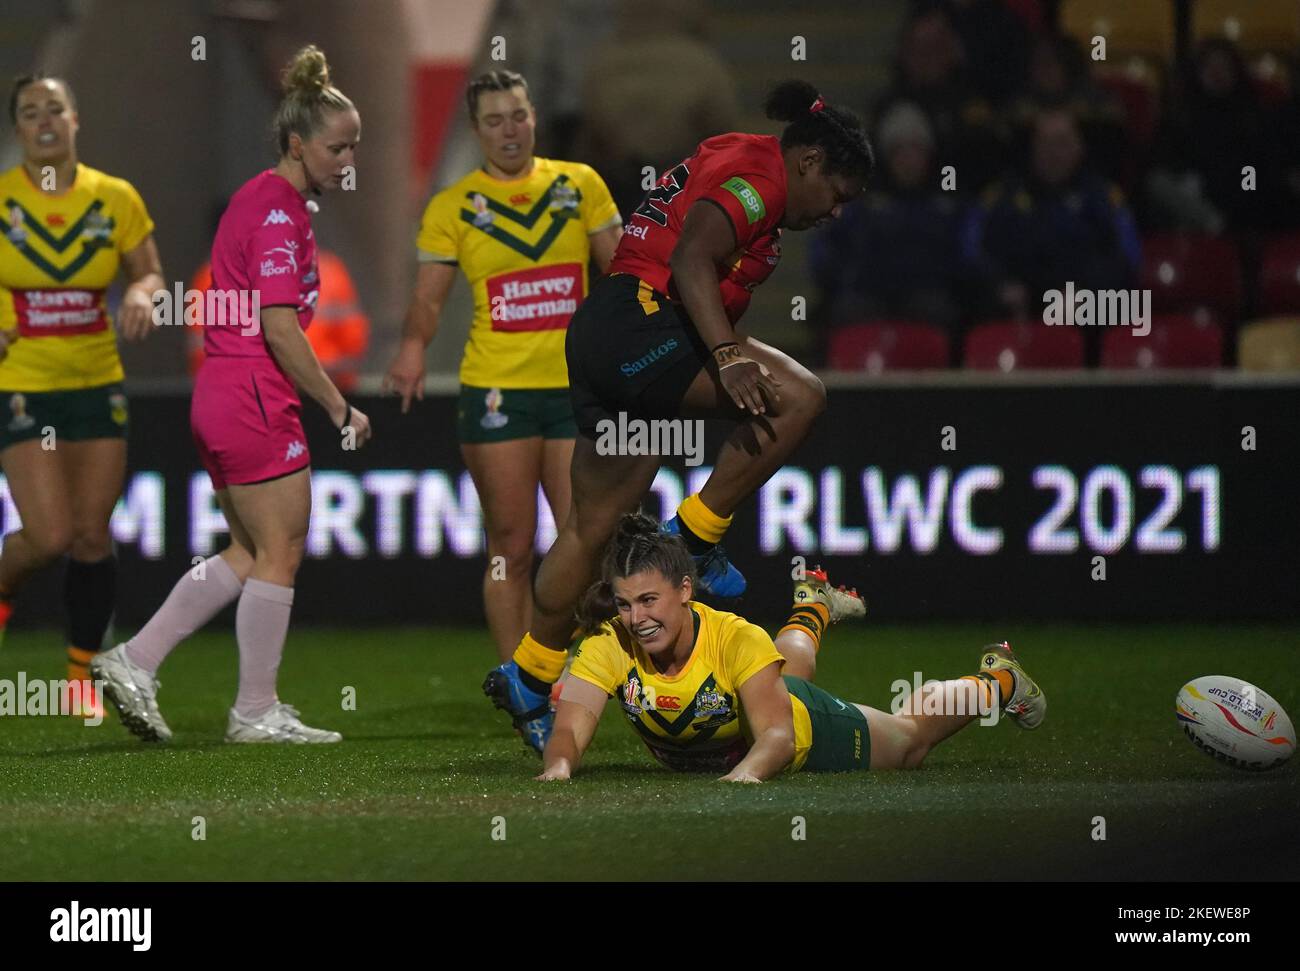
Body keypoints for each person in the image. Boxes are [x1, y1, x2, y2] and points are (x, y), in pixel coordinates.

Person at [483, 79, 874, 753]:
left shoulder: (744, 158)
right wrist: (727, 354)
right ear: (809, 162)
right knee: (800, 397)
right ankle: (695, 534)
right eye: (837, 195)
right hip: (643, 326)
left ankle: (529, 671)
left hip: (611, 330)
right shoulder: (763, 182)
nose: (835, 212)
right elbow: (692, 256)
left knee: (588, 529)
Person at [92, 45, 371, 743]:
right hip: (252, 392)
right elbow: (279, 327)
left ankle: (136, 659)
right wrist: (339, 407)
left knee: (249, 552)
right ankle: (253, 710)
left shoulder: (264, 201)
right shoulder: (277, 213)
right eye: (337, 148)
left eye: (354, 148)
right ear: (296, 143)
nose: (348, 161)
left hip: (222, 393)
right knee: (280, 549)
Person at [384, 70, 622, 662]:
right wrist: (413, 346)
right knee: (510, 546)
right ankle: (521, 684)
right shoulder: (452, 205)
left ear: (534, 116)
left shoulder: (580, 184)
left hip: (573, 389)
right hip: (496, 392)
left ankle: (573, 674)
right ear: (476, 129)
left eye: (517, 115)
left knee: (583, 540)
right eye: (494, 120)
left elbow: (624, 274)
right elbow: (428, 297)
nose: (509, 130)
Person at [538, 515, 1046, 782]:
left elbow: (777, 739)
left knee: (909, 742)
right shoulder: (611, 641)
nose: (638, 619)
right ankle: (815, 607)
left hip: (803, 730)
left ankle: (999, 680)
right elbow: (570, 732)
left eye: (649, 600)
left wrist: (741, 780)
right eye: (626, 604)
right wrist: (558, 769)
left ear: (686, 590)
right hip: (768, 695)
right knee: (782, 671)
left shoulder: (735, 637)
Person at [0, 74, 164, 717]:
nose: (43, 121)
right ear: (17, 129)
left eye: (54, 110)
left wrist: (142, 292)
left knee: (93, 534)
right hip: (23, 384)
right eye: (29, 112)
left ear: (76, 120)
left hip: (97, 382)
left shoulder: (114, 197)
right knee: (48, 535)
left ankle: (79, 677)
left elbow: (147, 267)